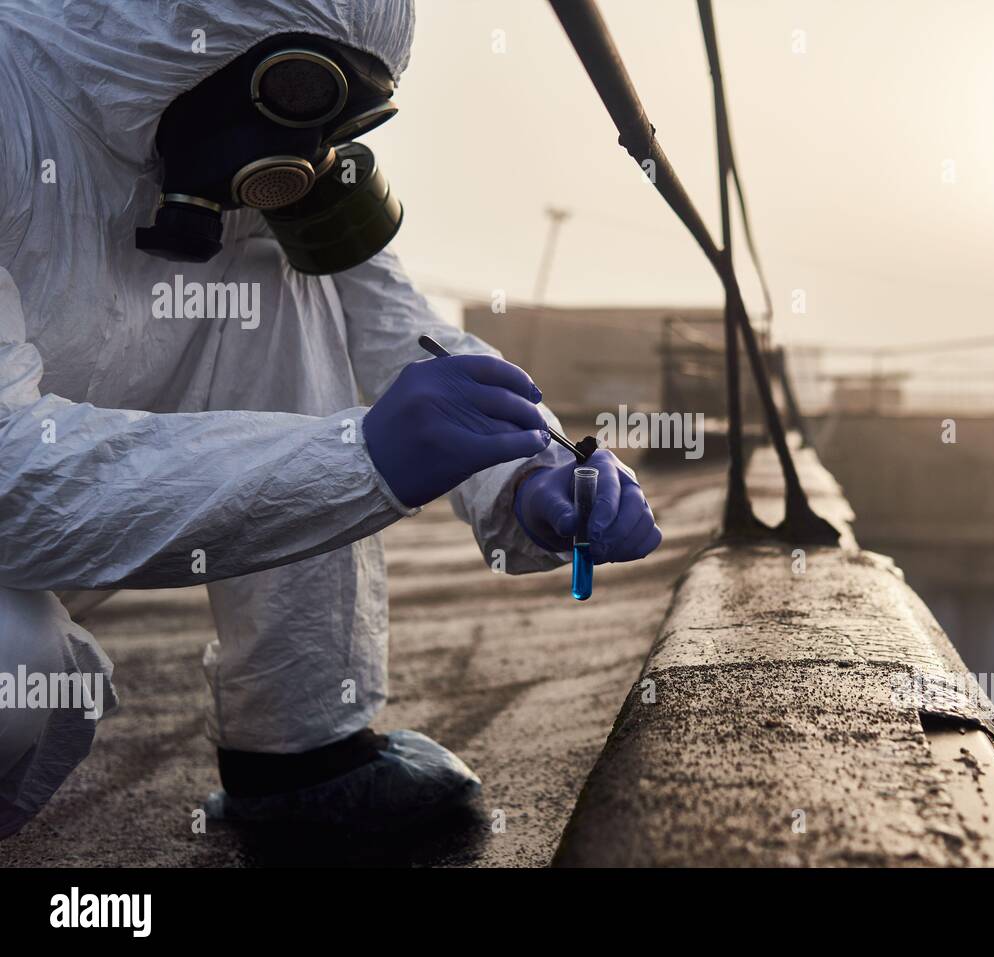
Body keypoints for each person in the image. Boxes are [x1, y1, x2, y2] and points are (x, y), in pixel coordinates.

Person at [0, 0, 660, 838]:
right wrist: (361, 460)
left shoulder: (232, 150)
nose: (311, 153)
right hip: (16, 534)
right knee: (10, 661)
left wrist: (531, 471)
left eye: (349, 115)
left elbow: (396, 330)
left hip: (69, 541)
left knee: (288, 278)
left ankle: (301, 750)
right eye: (305, 91)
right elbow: (11, 483)